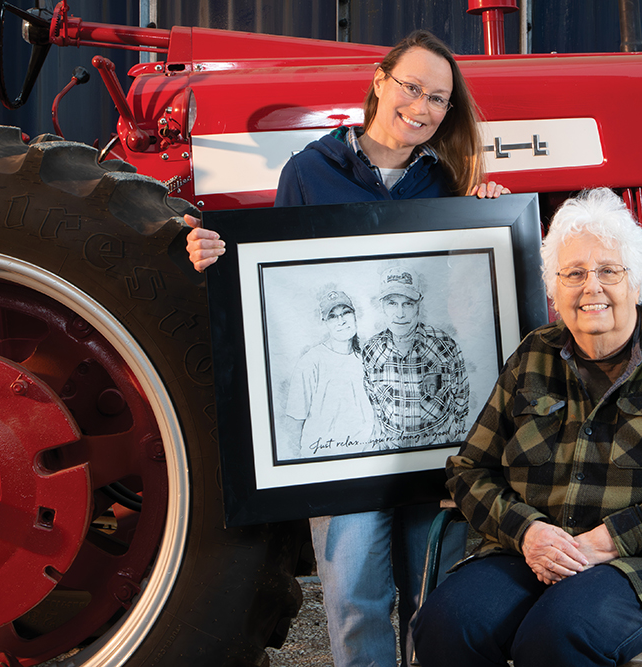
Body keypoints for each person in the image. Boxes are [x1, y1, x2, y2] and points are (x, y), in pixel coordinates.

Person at [186, 29, 508, 667]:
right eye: (411, 87)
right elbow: (282, 291)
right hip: (345, 438)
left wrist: (493, 223)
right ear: (380, 83)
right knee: (355, 598)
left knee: (432, 594)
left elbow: (467, 303)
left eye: (439, 99)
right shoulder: (310, 170)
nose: (421, 106)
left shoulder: (451, 184)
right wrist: (218, 257)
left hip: (428, 440)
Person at [411, 187, 642, 667]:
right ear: (555, 290)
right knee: (446, 625)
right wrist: (528, 533)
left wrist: (608, 540)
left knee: (558, 635)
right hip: (533, 556)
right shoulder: (535, 354)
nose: (591, 286)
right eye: (573, 273)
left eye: (609, 271)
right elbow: (470, 469)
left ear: (637, 282)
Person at [363, 265, 469, 449]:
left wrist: (451, 442)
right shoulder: (371, 350)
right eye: (392, 303)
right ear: (382, 306)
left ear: (419, 304)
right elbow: (375, 402)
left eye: (408, 303)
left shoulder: (445, 346)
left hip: (438, 447)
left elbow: (461, 396)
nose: (400, 313)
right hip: (390, 449)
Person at [283, 289, 376, 459]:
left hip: (363, 458)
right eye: (332, 316)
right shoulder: (311, 361)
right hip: (322, 457)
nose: (341, 321)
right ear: (325, 322)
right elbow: (294, 422)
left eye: (345, 313)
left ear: (355, 315)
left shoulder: (365, 359)